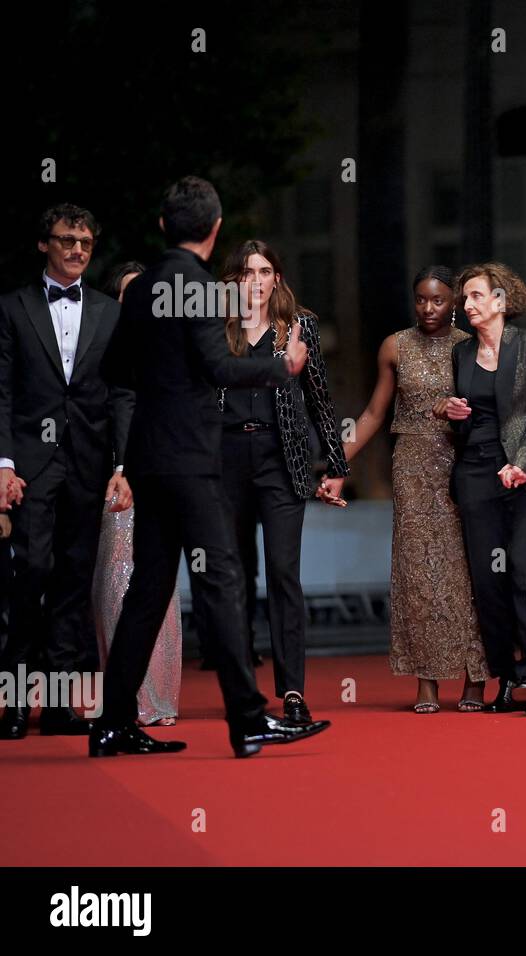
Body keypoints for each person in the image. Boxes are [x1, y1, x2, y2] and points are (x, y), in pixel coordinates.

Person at [93, 175, 330, 757]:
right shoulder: (198, 287)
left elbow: (116, 371)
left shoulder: (145, 286)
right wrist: (284, 368)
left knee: (150, 589)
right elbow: (221, 369)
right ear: (215, 229)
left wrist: (165, 380)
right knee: (222, 582)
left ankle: (112, 723)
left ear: (162, 226)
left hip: (149, 458)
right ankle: (249, 719)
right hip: (193, 461)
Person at [0, 203, 134, 740]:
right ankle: (13, 701)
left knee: (72, 583)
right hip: (29, 466)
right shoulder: (12, 308)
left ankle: (57, 706)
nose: (77, 250)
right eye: (66, 240)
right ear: (44, 244)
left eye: (85, 242)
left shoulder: (109, 311)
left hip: (89, 462)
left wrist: (123, 463)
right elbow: (3, 392)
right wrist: (3, 464)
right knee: (28, 573)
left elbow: (122, 392)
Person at [342, 265, 489, 713]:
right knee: (418, 572)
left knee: (468, 571)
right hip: (411, 465)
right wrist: (335, 464)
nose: (428, 308)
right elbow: (372, 414)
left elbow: (490, 411)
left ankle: (476, 678)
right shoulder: (396, 345)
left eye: (438, 300)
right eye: (421, 299)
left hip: (462, 465)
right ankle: (426, 681)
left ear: (456, 303)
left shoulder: (472, 346)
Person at [217, 240, 349, 725]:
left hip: (281, 459)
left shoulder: (299, 327)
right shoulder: (215, 327)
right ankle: (241, 688)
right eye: (247, 271)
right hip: (225, 459)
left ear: (277, 278)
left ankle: (292, 690)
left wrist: (335, 465)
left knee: (283, 573)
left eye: (265, 270)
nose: (256, 279)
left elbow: (319, 399)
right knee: (229, 578)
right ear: (233, 280)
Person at [445, 262, 526, 715]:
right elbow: (460, 407)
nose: (468, 305)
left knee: (524, 570)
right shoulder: (461, 353)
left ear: (500, 301)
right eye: (465, 298)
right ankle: (503, 675)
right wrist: (450, 409)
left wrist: (521, 463)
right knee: (487, 578)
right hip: (476, 473)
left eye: (476, 295)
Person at [92, 261, 182, 726]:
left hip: (160, 478)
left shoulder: (167, 349)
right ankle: (124, 698)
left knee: (158, 587)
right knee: (115, 581)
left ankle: (156, 696)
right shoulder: (102, 347)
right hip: (111, 480)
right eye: (127, 294)